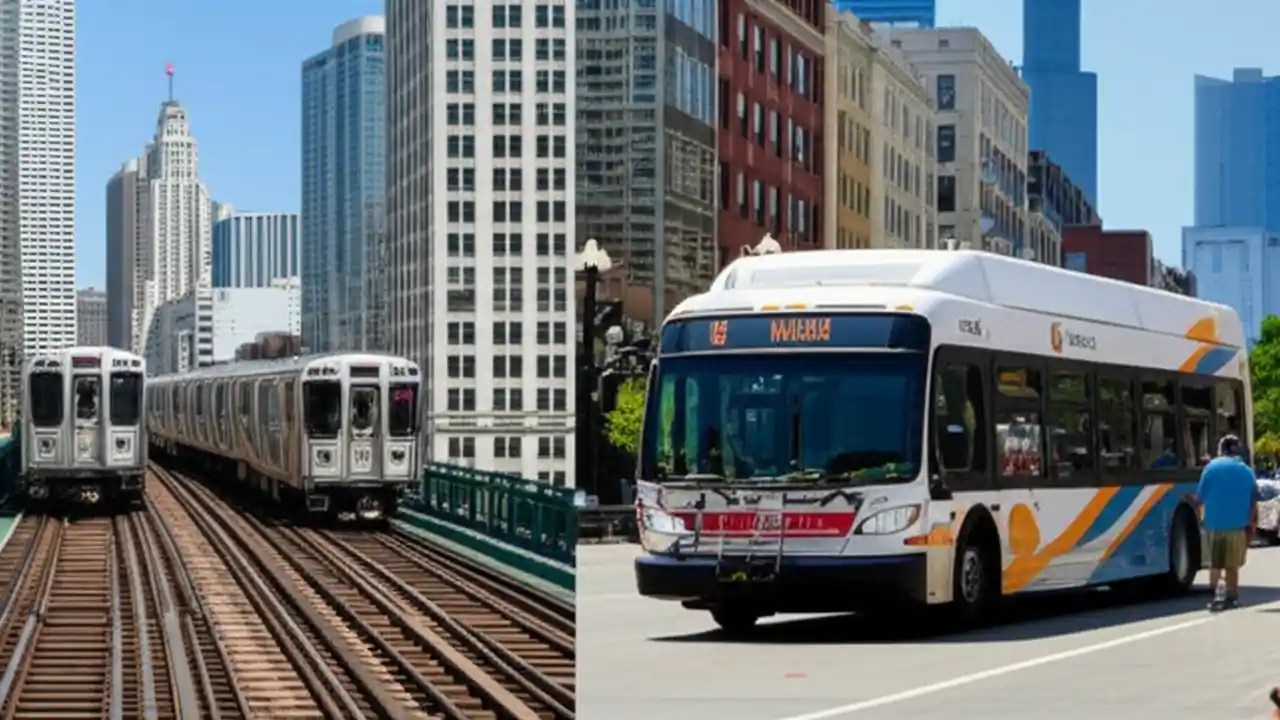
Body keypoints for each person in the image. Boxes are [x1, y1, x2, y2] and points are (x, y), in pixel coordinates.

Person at [1194, 434, 1258, 612]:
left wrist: (1201, 518)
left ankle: (1215, 595)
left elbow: (1199, 498)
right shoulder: (1246, 471)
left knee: (1215, 563)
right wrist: (1251, 525)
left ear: (1221, 449)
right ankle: (1232, 597)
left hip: (1213, 523)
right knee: (1232, 565)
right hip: (1237, 524)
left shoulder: (1210, 468)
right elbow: (1253, 502)